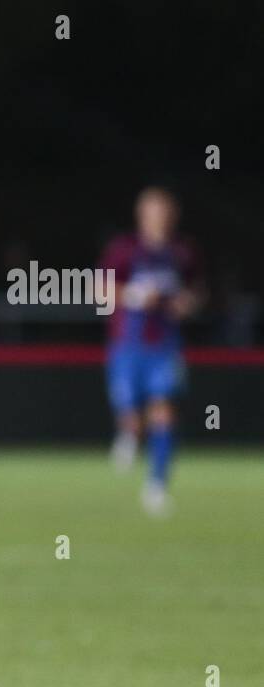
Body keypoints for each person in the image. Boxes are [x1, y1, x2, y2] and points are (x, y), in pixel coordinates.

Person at [100, 187, 204, 515]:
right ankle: (128, 435)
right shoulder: (124, 250)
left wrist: (187, 304)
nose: (158, 217)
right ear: (141, 214)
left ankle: (156, 485)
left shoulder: (182, 252)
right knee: (131, 415)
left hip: (164, 346)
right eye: (152, 210)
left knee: (164, 410)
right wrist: (134, 295)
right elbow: (100, 290)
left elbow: (196, 291)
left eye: (163, 210)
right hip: (128, 343)